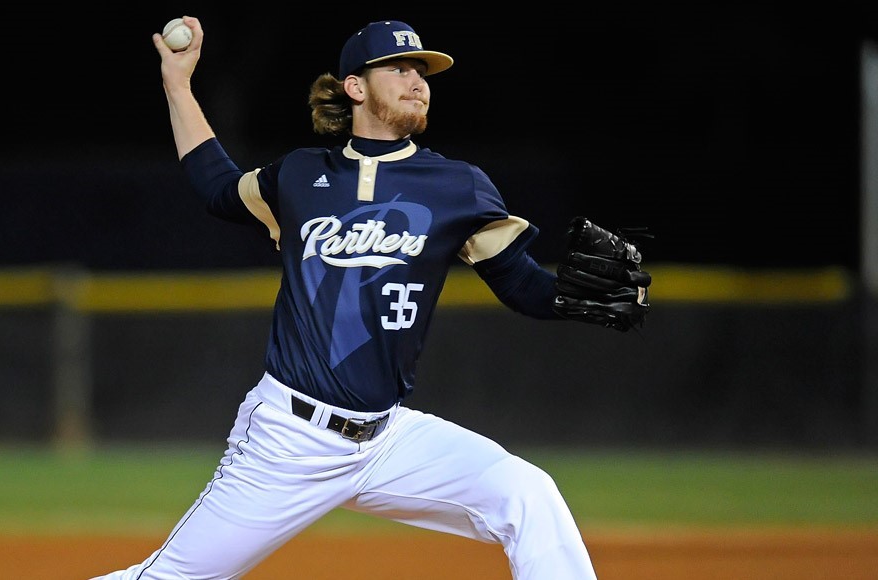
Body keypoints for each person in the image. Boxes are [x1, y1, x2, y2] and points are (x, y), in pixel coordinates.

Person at [92, 16, 642, 579]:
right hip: (290, 440)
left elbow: (522, 285)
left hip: (387, 439)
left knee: (527, 494)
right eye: (399, 68)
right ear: (355, 87)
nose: (417, 79)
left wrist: (576, 297)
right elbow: (216, 186)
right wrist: (178, 84)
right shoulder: (300, 176)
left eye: (423, 70)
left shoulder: (458, 186)